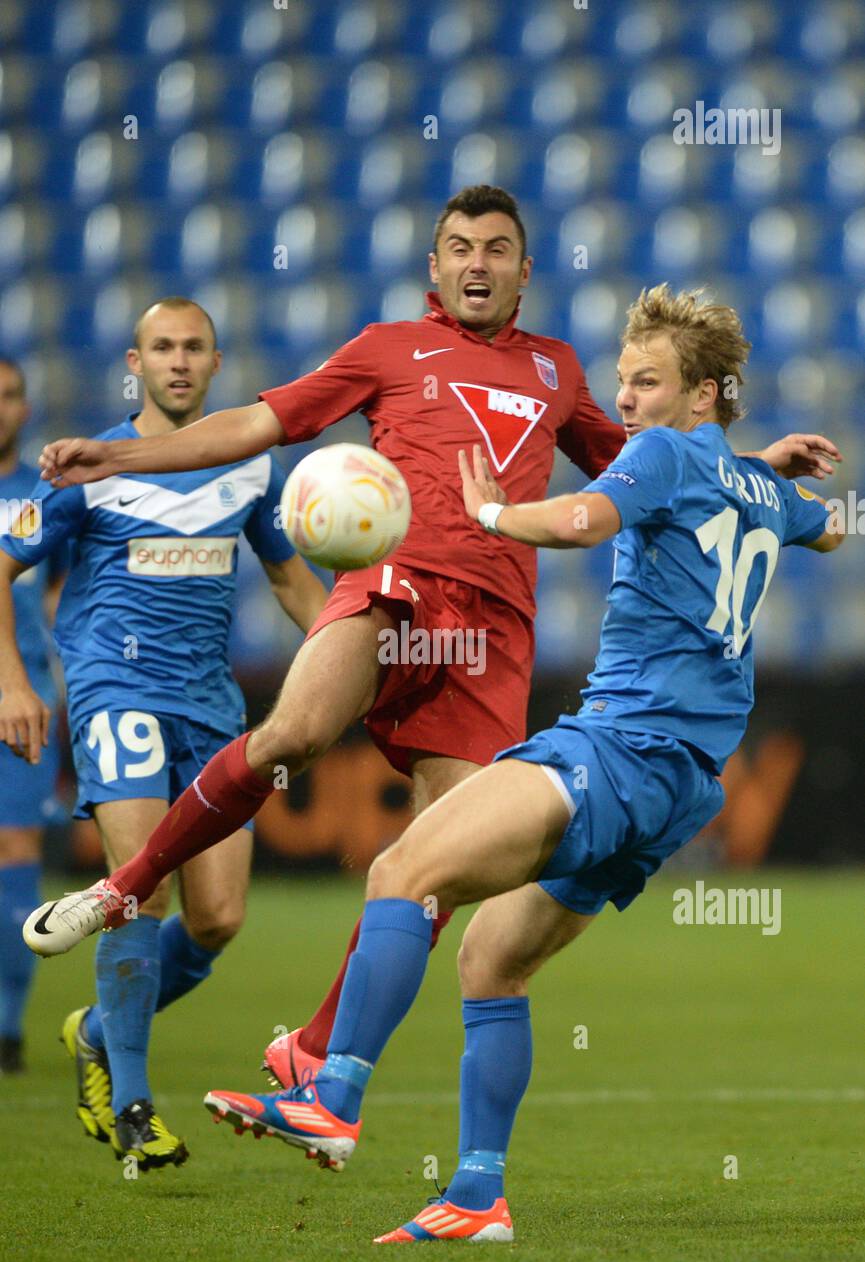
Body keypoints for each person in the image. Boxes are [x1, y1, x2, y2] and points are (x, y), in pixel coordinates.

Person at [24, 188, 837, 1098]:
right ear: (434, 266)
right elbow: (258, 424)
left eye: (496, 249)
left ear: (525, 271)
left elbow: (658, 460)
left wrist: (756, 463)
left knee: (437, 866)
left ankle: (316, 1049)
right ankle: (124, 887)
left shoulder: (558, 372)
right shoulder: (386, 349)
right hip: (393, 581)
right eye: (459, 248)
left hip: (490, 630)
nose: (477, 264)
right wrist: (121, 455)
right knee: (292, 733)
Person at [196, 284, 842, 1242]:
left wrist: (499, 514)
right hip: (681, 788)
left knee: (401, 869)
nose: (624, 400)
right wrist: (770, 475)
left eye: (647, 383)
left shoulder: (661, 455)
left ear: (700, 394)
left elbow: (584, 522)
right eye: (621, 380)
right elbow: (826, 526)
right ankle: (476, 1196)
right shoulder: (755, 489)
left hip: (616, 749)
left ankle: (331, 1096)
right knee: (490, 961)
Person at [0, 299, 326, 1168]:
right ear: (134, 364)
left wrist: (350, 654)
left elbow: (292, 579)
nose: (177, 361)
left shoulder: (251, 466)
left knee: (217, 918)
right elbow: (1, 560)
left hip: (211, 708)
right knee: (139, 891)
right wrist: (13, 681)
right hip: (115, 693)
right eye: (160, 348)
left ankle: (99, 1033)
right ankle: (138, 1108)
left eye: (193, 348)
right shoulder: (88, 469)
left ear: (217, 364)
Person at [0, 358, 65, 1074]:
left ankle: (7, 1030)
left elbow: (59, 592)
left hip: (20, 704)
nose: (0, 409)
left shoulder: (40, 498)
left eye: (12, 396)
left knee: (16, 856)